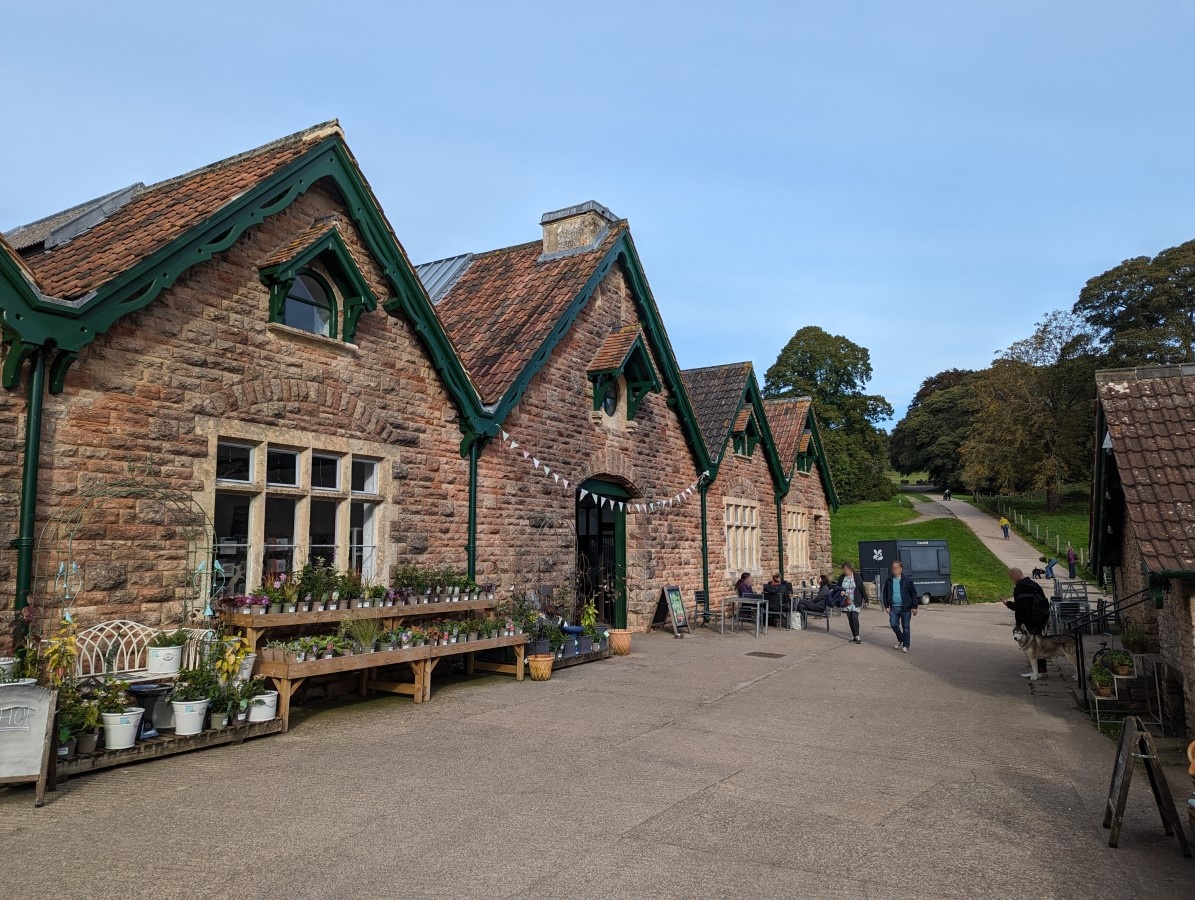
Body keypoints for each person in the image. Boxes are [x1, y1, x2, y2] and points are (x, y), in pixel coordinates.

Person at [1004, 567, 1050, 677]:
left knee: (1031, 648)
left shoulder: (1020, 588)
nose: (1012, 580)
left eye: (1012, 577)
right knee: (1039, 646)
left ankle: (1036, 672)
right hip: (1040, 619)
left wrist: (1008, 604)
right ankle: (1041, 671)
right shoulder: (1035, 585)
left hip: (1028, 621)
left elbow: (1021, 606)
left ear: (1015, 576)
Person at [881, 561, 919, 652]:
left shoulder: (907, 580)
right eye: (892, 568)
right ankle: (901, 638)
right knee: (894, 625)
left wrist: (914, 607)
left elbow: (913, 594)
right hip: (894, 608)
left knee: (906, 627)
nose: (894, 570)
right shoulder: (889, 580)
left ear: (900, 569)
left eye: (895, 568)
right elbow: (885, 593)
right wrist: (886, 606)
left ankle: (906, 645)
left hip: (905, 608)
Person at [836, 562, 866, 644]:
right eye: (844, 569)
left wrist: (866, 600)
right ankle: (854, 635)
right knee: (850, 618)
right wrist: (840, 591)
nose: (845, 571)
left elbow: (861, 588)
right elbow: (837, 587)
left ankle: (858, 635)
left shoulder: (857, 577)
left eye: (846, 569)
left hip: (856, 600)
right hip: (846, 601)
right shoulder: (842, 577)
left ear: (850, 569)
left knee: (855, 617)